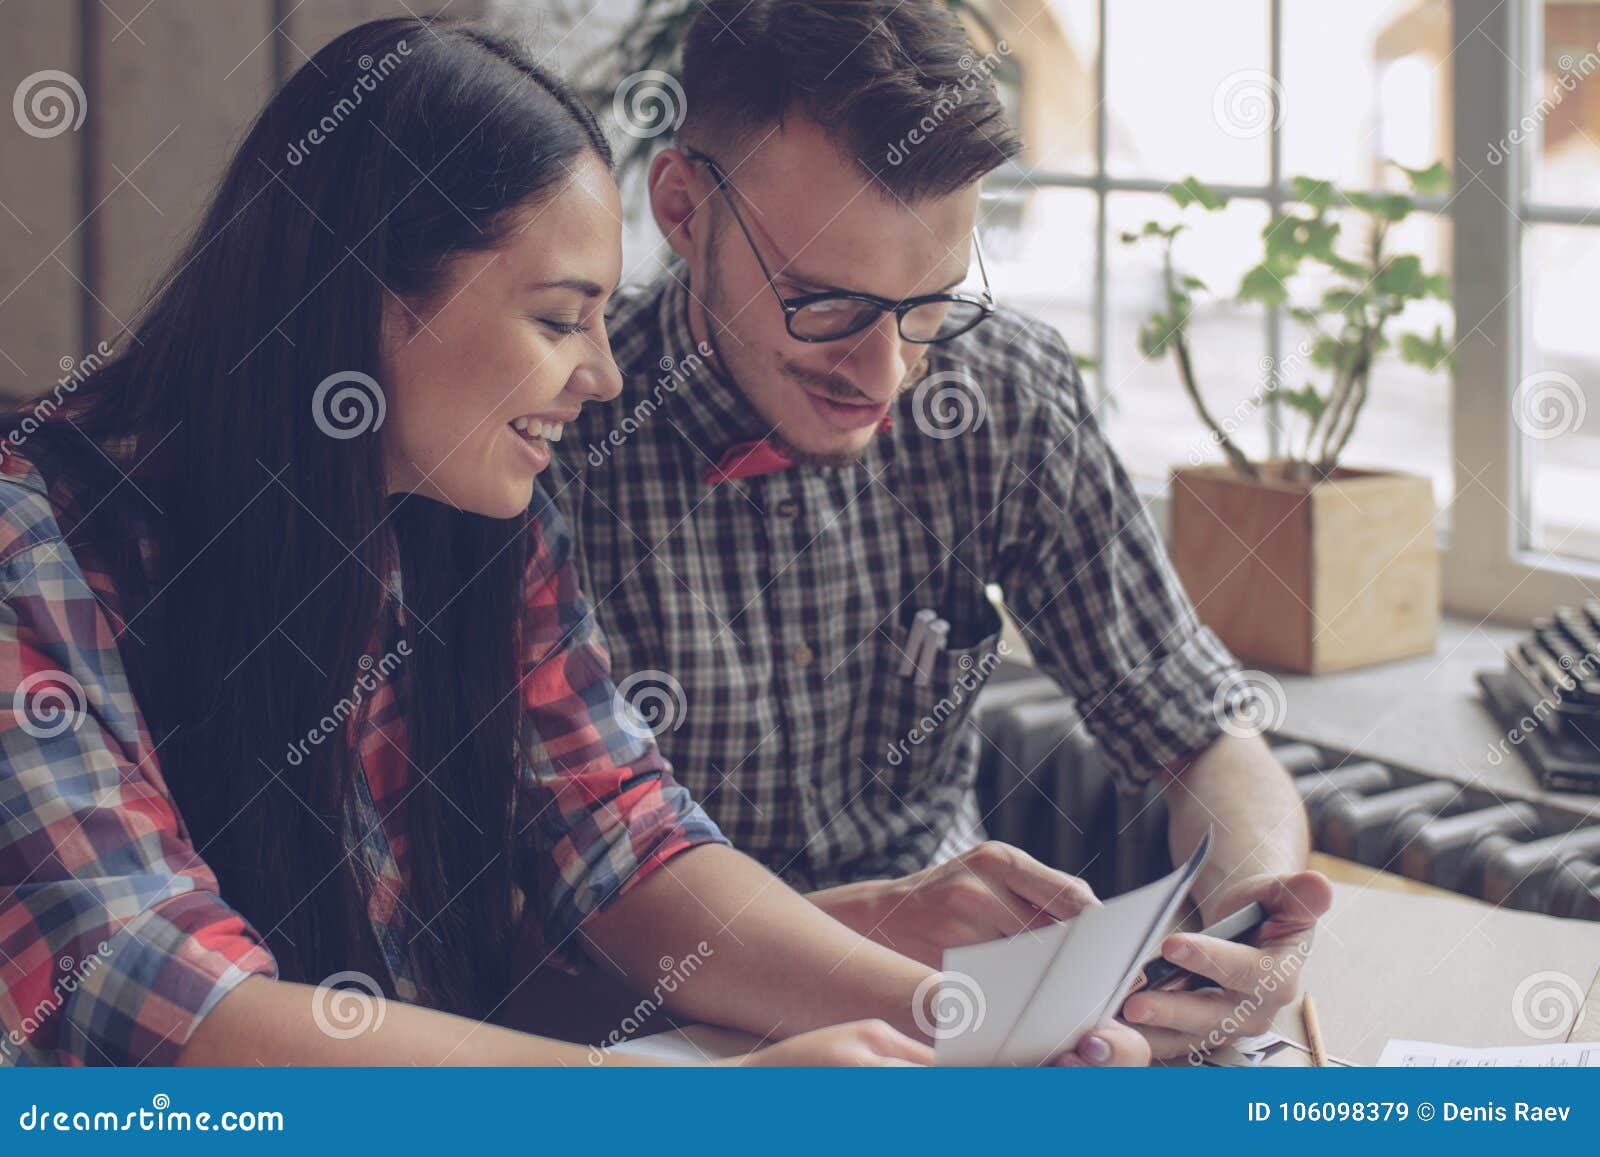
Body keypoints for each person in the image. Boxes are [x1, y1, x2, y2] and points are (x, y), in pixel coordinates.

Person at [0, 17, 1145, 1068]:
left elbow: (626, 837)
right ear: (362, 298)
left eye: (602, 317)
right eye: (557, 319)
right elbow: (164, 1003)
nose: (598, 375)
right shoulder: (32, 539)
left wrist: (973, 1030)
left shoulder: (479, 508)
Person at [550, 0, 1331, 1061]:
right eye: (822, 303)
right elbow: (517, 937)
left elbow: (1196, 727)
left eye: (929, 302)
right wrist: (852, 928)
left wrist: (1254, 914)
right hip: (652, 1045)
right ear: (684, 210)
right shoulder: (545, 438)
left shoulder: (998, 390)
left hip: (971, 1023)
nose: (885, 375)